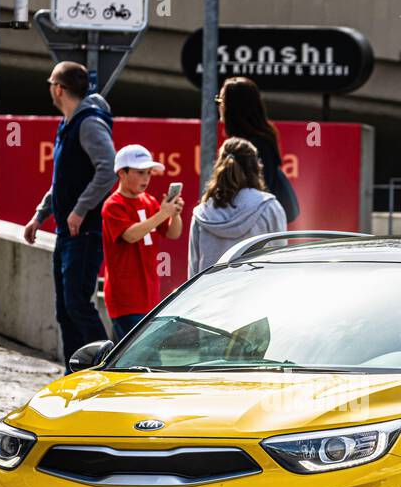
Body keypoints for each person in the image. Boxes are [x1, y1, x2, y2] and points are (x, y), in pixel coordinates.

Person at [23, 61, 117, 366]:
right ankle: (74, 373)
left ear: (59, 89)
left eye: (51, 84)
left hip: (84, 232)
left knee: (77, 304)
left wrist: (79, 210)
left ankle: (105, 366)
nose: (50, 89)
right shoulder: (67, 124)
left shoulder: (88, 123)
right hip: (67, 232)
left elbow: (108, 169)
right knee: (65, 310)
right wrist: (40, 215)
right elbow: (63, 181)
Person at [100, 144, 184, 341]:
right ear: (122, 173)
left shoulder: (149, 201)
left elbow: (173, 233)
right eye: (140, 172)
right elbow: (130, 235)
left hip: (149, 296)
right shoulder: (113, 205)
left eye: (148, 173)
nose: (146, 178)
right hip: (125, 299)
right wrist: (163, 213)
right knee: (140, 354)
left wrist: (174, 214)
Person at [188, 138, 287, 275]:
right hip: (258, 287)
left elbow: (193, 272)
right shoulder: (270, 207)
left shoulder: (202, 214)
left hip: (212, 289)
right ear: (255, 167)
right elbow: (281, 263)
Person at [216, 76, 300, 224]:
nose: (219, 106)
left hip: (254, 225)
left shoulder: (257, 145)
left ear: (233, 106)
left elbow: (261, 190)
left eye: (221, 101)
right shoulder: (261, 140)